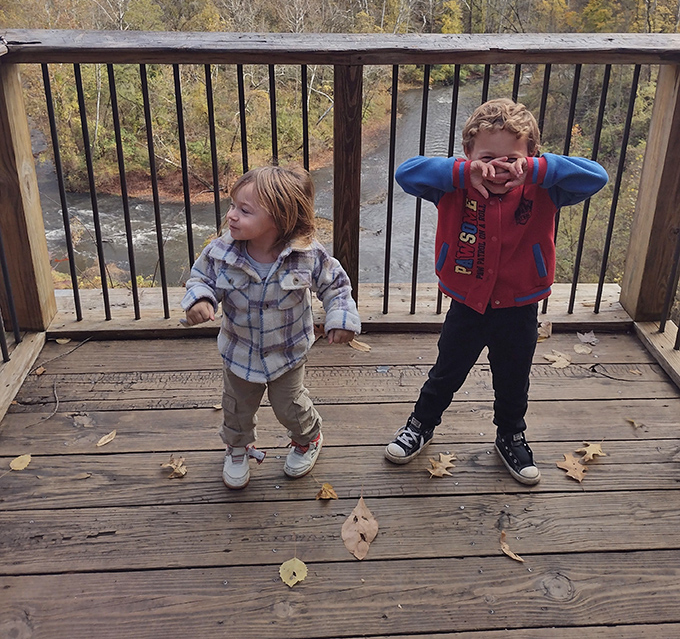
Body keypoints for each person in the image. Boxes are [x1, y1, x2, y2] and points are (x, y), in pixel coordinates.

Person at [384, 98, 608, 485]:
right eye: (488, 157)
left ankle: (511, 435)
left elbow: (596, 177)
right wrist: (462, 173)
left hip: (520, 307)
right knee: (447, 371)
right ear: (469, 153)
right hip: (467, 304)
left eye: (512, 159)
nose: (498, 168)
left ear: (531, 156)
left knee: (513, 377)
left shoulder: (545, 189)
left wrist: (537, 171)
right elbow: (407, 174)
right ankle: (420, 424)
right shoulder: (454, 187)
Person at [182, 164, 361, 489]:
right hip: (240, 352)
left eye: (244, 210)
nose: (231, 216)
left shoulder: (306, 255)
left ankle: (308, 438)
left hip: (287, 353)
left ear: (280, 219)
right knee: (236, 408)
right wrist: (200, 299)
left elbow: (335, 286)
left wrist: (341, 318)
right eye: (233, 205)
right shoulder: (221, 253)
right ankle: (237, 448)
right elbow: (201, 278)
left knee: (290, 407)